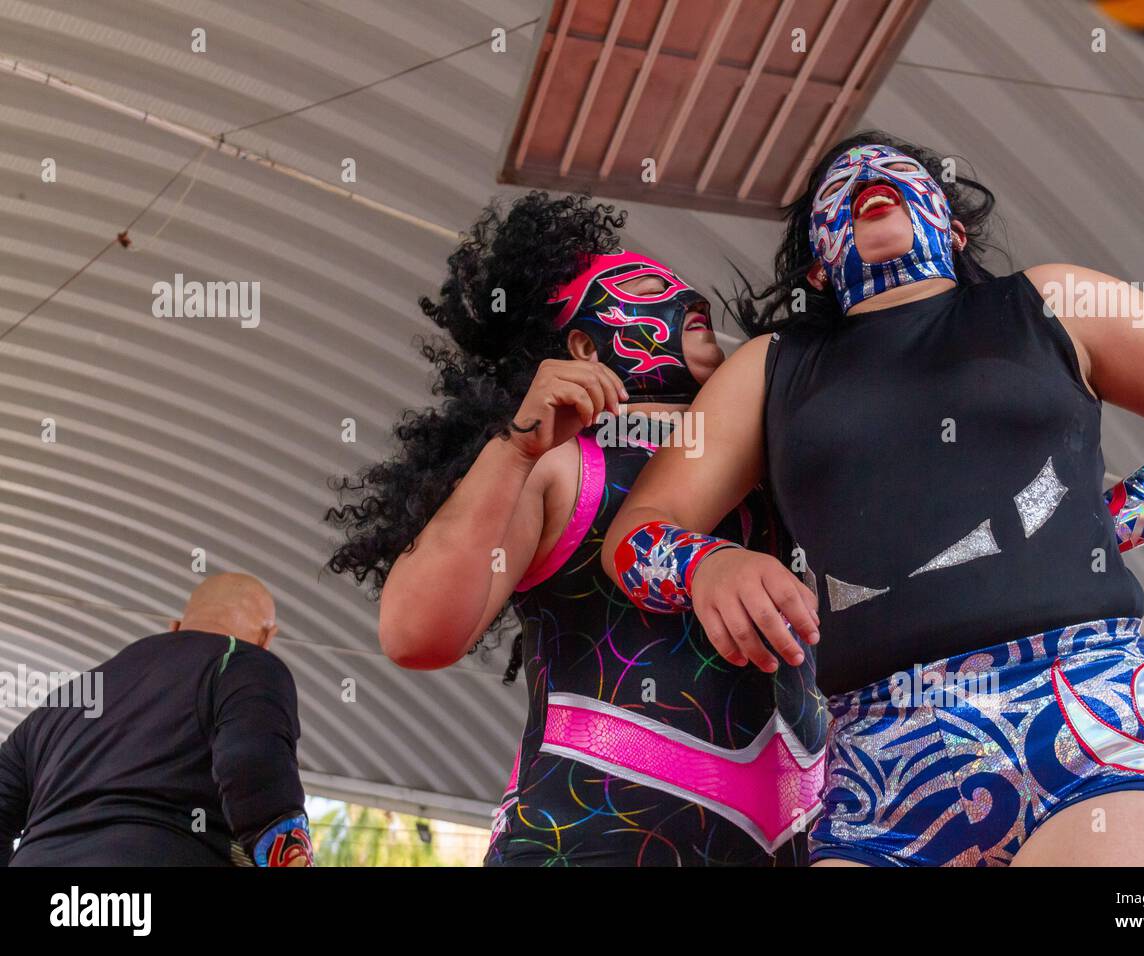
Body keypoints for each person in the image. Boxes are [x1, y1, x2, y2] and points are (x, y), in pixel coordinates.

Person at [602, 131, 1144, 867]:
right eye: (841, 186)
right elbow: (638, 533)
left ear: (952, 227)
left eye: (899, 173)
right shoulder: (769, 371)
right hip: (880, 767)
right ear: (818, 261)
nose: (869, 174)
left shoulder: (1050, 300)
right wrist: (709, 565)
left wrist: (1100, 527)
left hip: (1094, 710)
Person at [326, 192, 826, 866]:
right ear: (586, 344)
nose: (687, 296)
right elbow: (416, 633)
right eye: (652, 287)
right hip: (584, 839)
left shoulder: (785, 454)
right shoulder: (562, 465)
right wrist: (514, 448)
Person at [0, 573, 312, 866]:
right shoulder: (244, 663)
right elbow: (252, 762)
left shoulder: (71, 695)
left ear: (175, 626)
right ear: (266, 638)